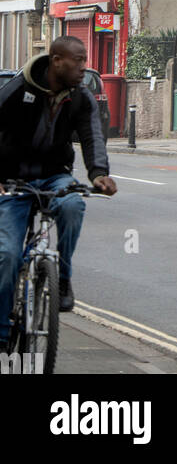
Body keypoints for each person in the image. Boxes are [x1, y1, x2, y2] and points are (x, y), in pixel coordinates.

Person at [0, 36, 117, 344]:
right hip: (14, 180)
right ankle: (0, 332)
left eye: (85, 60)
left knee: (73, 204)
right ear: (56, 60)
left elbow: (92, 136)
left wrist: (99, 174)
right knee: (8, 255)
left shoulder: (80, 97)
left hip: (55, 176)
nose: (84, 67)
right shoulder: (17, 90)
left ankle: (62, 280)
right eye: (77, 60)